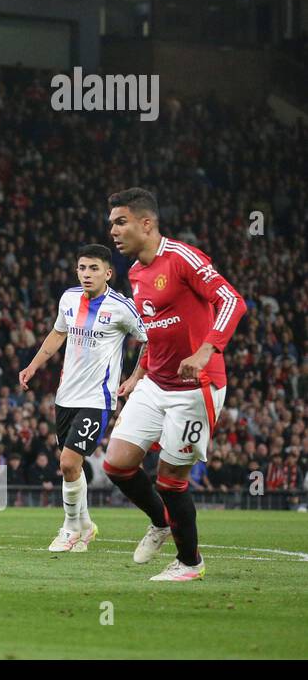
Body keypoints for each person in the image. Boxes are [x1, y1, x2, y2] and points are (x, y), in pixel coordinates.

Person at [103, 188, 245, 582]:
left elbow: (233, 301)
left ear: (146, 223)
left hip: (195, 387)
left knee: (170, 479)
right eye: (112, 223)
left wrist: (205, 351)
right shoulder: (134, 272)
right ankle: (161, 523)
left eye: (120, 222)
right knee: (116, 464)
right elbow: (153, 332)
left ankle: (190, 562)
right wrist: (137, 374)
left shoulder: (182, 258)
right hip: (155, 384)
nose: (113, 230)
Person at [19, 244, 146, 552]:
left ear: (108, 273)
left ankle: (69, 529)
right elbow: (57, 333)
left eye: (93, 269)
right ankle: (86, 526)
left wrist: (133, 377)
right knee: (71, 467)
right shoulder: (69, 298)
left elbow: (149, 340)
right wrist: (33, 366)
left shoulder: (121, 307)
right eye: (82, 268)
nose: (87, 274)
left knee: (68, 462)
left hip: (97, 399)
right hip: (66, 397)